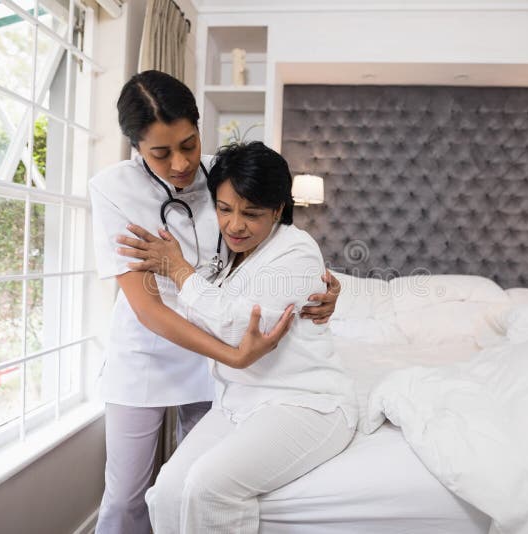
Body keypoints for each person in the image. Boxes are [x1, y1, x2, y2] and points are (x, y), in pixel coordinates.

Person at [89, 71, 341, 534]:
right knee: (124, 495)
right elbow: (148, 307)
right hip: (150, 350)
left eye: (188, 143)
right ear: (136, 147)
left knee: (191, 481)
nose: (182, 163)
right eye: (160, 154)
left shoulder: (221, 176)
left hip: (216, 345)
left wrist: (324, 289)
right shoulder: (112, 189)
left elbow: (268, 251)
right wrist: (235, 356)